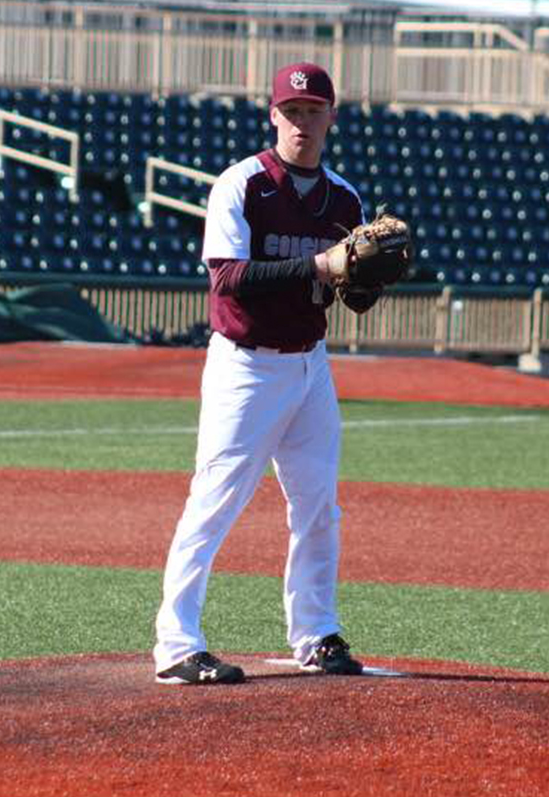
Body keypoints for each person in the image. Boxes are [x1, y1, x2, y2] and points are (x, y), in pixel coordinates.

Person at [153, 62, 385, 685]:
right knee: (214, 503)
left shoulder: (344, 198)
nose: (302, 122)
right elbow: (228, 277)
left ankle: (315, 634)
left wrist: (363, 281)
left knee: (318, 508)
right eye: (292, 111)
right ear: (273, 115)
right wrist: (320, 263)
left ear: (332, 118)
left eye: (313, 112)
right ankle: (176, 644)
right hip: (245, 369)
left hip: (311, 367)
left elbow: (344, 290)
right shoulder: (243, 184)